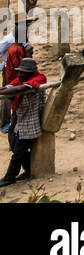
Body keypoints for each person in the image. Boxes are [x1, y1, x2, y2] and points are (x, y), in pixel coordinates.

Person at [0, 57, 46, 187]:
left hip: (31, 120)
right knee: (15, 146)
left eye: (23, 72)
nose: (20, 74)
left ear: (31, 72)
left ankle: (10, 177)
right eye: (19, 71)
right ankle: (29, 169)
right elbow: (8, 88)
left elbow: (18, 90)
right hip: (21, 118)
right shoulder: (21, 79)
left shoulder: (38, 79)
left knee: (18, 151)